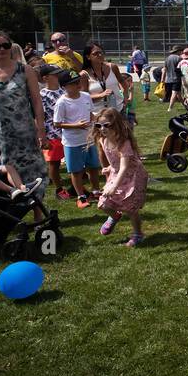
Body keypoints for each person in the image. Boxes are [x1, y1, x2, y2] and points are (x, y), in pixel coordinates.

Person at [0, 30, 48, 213]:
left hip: (23, 134)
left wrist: (41, 131)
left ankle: (38, 212)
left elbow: (36, 101)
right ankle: (1, 214)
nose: (2, 49)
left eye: (5, 45)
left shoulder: (25, 70)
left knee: (32, 173)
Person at [93, 107, 148, 247]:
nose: (102, 129)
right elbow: (115, 161)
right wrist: (110, 167)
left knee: (131, 208)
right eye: (99, 125)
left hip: (132, 176)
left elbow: (124, 167)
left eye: (107, 125)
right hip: (117, 174)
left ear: (115, 124)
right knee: (103, 203)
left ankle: (138, 234)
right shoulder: (103, 140)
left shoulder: (124, 143)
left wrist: (114, 186)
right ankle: (115, 216)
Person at [52, 69, 103, 207]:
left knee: (93, 167)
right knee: (76, 171)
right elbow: (57, 123)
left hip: (89, 139)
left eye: (77, 81)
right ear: (64, 87)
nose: (77, 84)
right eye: (73, 83)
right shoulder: (62, 102)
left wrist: (95, 125)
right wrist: (75, 125)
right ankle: (81, 196)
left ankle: (96, 191)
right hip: (72, 142)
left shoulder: (86, 96)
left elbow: (90, 113)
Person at [37, 64, 71, 201]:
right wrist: (42, 136)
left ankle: (75, 186)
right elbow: (39, 116)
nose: (58, 76)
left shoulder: (64, 91)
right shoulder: (42, 95)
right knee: (54, 163)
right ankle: (59, 188)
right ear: (45, 78)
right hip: (52, 134)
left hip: (69, 132)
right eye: (55, 74)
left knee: (73, 161)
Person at [82, 42, 129, 116]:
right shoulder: (84, 74)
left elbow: (122, 81)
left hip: (118, 111)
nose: (100, 55)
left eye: (101, 52)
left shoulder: (112, 67)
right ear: (88, 57)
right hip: (98, 116)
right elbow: (83, 97)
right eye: (96, 53)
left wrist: (125, 97)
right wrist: (101, 95)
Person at [164, 46, 184, 112]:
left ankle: (185, 105)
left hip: (168, 79)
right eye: (180, 51)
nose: (181, 52)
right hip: (176, 79)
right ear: (178, 51)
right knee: (174, 93)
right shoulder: (179, 58)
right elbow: (181, 68)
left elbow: (165, 69)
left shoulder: (167, 58)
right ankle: (170, 108)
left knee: (178, 94)